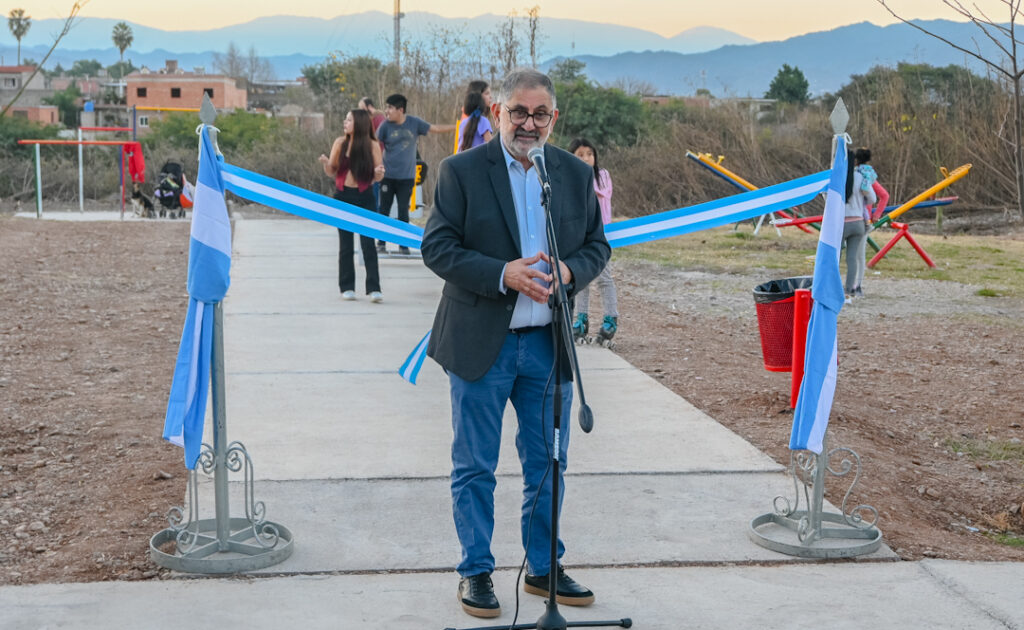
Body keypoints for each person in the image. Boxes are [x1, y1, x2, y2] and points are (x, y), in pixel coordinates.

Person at [421, 68, 611, 619]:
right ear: (497, 111)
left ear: (554, 118)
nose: (529, 124)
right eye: (518, 112)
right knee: (475, 466)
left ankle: (543, 567)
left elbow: (597, 246)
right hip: (482, 344)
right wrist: (503, 273)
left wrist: (570, 272)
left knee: (548, 464)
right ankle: (476, 571)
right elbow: (437, 248)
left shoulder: (573, 174)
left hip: (547, 348)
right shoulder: (461, 171)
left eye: (540, 114)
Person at [318, 109, 386, 302]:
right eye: (345, 119)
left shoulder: (372, 145)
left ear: (360, 123)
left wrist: (379, 173)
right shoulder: (340, 143)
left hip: (365, 197)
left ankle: (374, 288)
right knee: (345, 244)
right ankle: (347, 287)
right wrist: (326, 163)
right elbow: (332, 170)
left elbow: (378, 175)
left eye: (349, 120)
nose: (345, 122)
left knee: (368, 244)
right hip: (343, 197)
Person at [376, 93, 456, 255]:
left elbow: (435, 129)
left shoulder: (414, 123)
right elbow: (374, 143)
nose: (387, 111)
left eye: (390, 108)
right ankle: (381, 243)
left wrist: (458, 126)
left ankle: (403, 245)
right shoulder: (385, 126)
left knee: (403, 211)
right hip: (387, 177)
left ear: (400, 110)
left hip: (406, 177)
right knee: (384, 210)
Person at [567, 138, 618, 344]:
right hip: (579, 234)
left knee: (604, 277)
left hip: (601, 236)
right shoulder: (569, 177)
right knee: (581, 278)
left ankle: (610, 318)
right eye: (580, 155)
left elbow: (602, 194)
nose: (586, 158)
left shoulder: (602, 176)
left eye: (589, 154)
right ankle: (581, 319)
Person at [843, 148, 877, 301]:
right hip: (858, 223)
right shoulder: (862, 177)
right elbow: (873, 199)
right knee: (852, 258)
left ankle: (831, 286)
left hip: (842, 222)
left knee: (835, 256)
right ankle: (850, 289)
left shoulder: (840, 176)